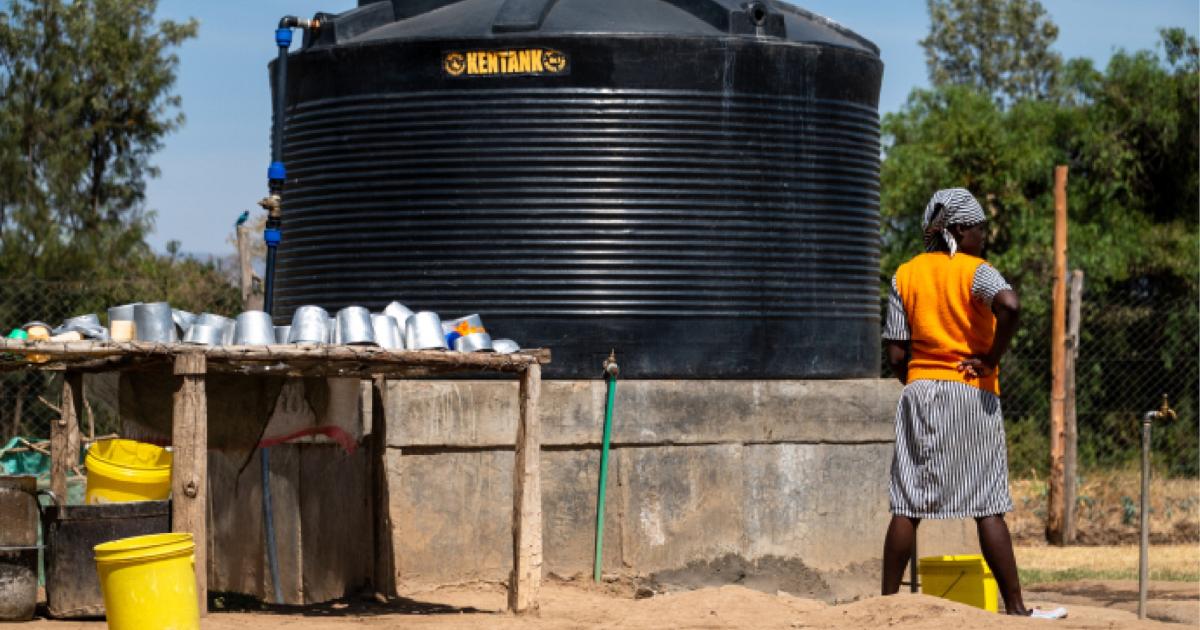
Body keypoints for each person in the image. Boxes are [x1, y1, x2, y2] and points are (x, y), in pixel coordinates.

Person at [880, 188, 1065, 619]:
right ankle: (1016, 608)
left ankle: (885, 607)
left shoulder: (903, 274)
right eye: (981, 229)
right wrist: (991, 358)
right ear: (961, 230)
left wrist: (921, 380)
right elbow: (1011, 305)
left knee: (907, 503)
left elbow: (894, 353)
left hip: (918, 391)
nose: (984, 237)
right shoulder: (976, 271)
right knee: (987, 502)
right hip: (970, 389)